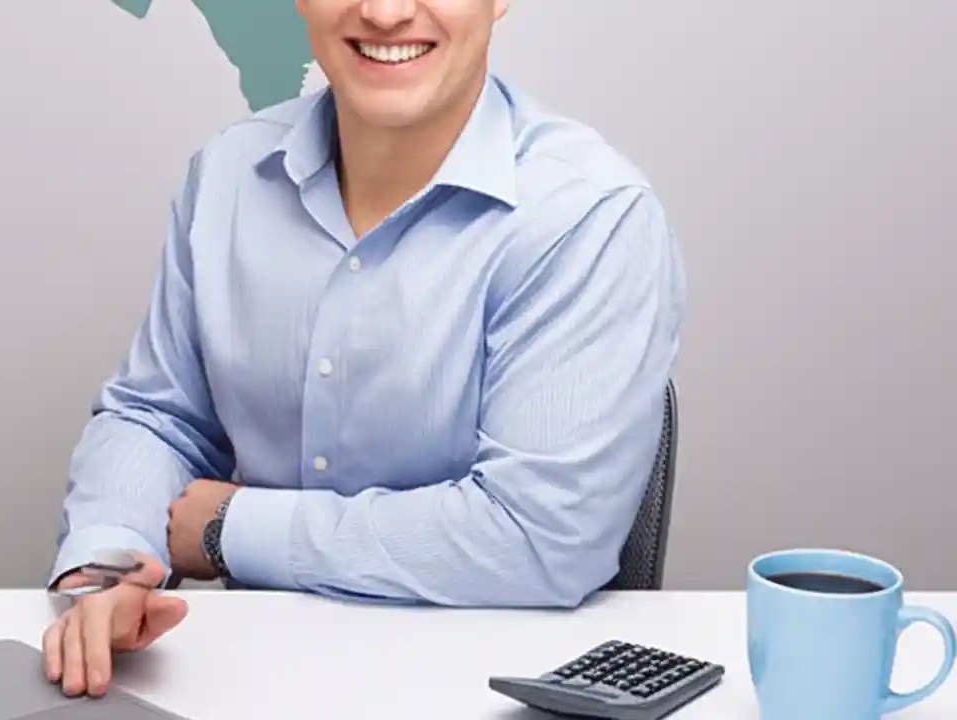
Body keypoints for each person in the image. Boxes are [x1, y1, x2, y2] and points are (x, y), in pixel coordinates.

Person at [41, 0, 686, 699]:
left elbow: (538, 537)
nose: (383, 12)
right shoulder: (228, 174)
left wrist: (231, 527)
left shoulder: (586, 216)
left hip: (481, 690)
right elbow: (156, 417)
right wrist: (109, 569)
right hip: (242, 679)